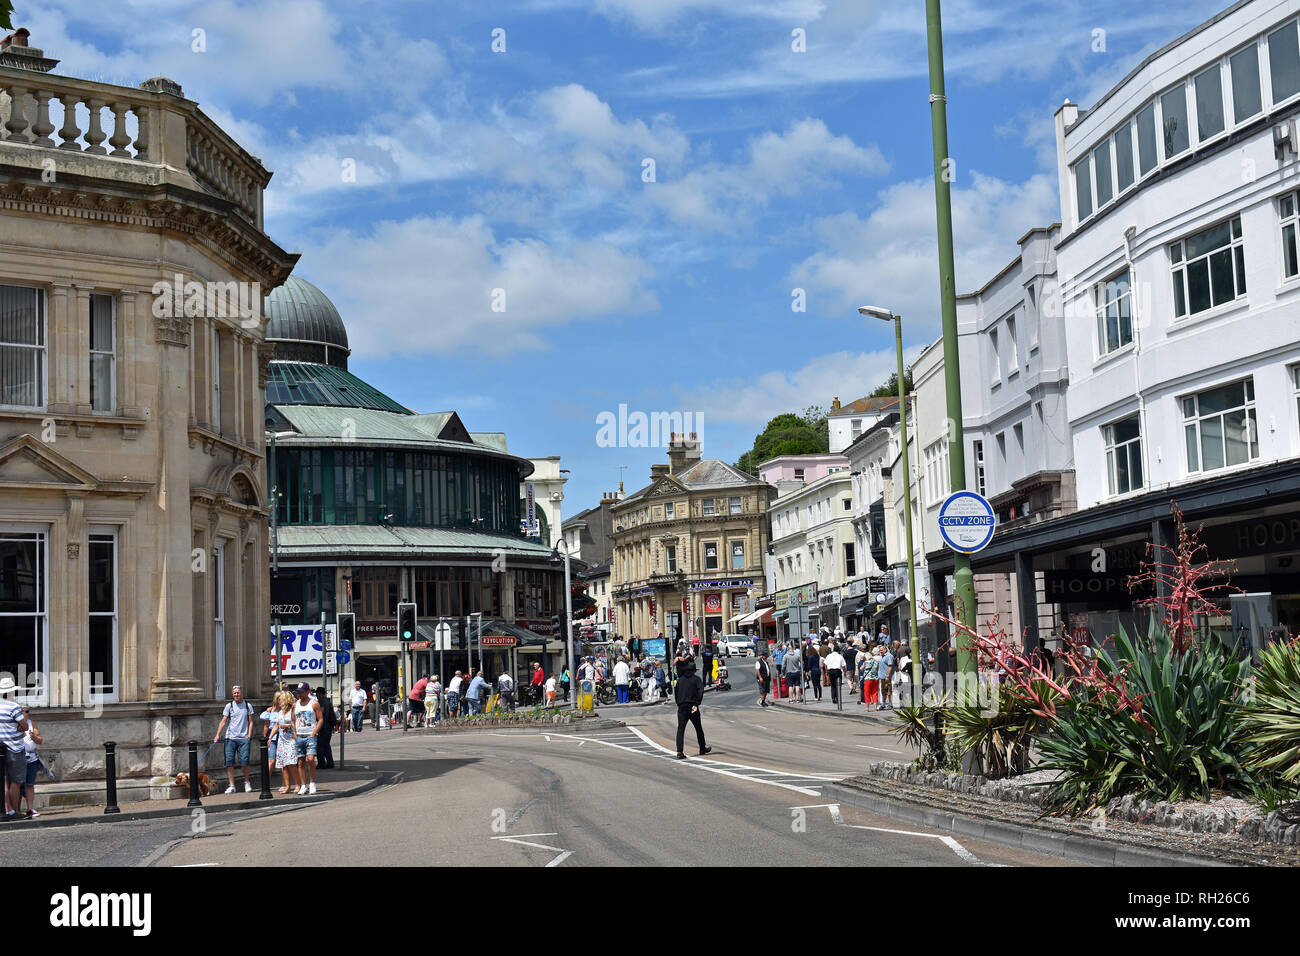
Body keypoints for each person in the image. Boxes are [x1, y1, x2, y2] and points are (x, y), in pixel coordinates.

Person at [213, 684, 256, 794]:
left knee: (244, 761)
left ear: (241, 693)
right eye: (234, 693)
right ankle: (232, 785)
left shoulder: (247, 705)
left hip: (243, 738)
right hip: (230, 738)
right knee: (229, 762)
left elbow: (251, 722)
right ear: (232, 695)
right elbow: (223, 721)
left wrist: (249, 736)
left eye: (238, 692)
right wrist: (218, 734)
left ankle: (246, 782)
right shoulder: (229, 706)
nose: (236, 695)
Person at [673, 660, 711, 759]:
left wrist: (678, 703)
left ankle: (679, 751)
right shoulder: (696, 679)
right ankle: (702, 748)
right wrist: (697, 704)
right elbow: (701, 691)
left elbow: (676, 694)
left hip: (682, 706)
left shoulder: (680, 680)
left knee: (681, 729)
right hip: (692, 706)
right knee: (698, 728)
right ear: (693, 670)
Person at [293, 682, 323, 795]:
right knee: (300, 762)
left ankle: (312, 782)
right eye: (298, 692)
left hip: (310, 735)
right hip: (299, 736)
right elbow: (292, 719)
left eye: (301, 691)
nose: (299, 694)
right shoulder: (296, 704)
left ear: (308, 691)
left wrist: (314, 732)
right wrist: (294, 733)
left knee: (310, 759)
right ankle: (303, 785)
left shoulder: (314, 704)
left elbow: (320, 719)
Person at [272, 693, 299, 794]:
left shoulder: (293, 709)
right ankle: (287, 786)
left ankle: (297, 784)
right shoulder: (280, 711)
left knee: (291, 763)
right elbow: (277, 725)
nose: (279, 701)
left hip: (291, 739)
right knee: (283, 764)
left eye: (281, 699)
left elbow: (295, 724)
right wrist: (270, 737)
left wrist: (287, 725)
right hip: (282, 740)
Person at [19, 706, 41, 818]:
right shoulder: (15, 723)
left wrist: (34, 737)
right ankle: (15, 810)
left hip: (32, 758)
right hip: (19, 758)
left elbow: (40, 740)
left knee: (29, 784)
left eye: (28, 711)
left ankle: (30, 809)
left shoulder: (31, 723)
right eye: (25, 711)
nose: (27, 713)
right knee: (17, 785)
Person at [315, 686, 336, 768]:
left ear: (319, 694)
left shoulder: (321, 701)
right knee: (326, 745)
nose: (316, 695)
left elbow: (321, 713)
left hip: (323, 726)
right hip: (328, 726)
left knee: (320, 746)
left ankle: (321, 763)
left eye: (317, 693)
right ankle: (330, 763)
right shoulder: (328, 701)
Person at [878, 644, 895, 710]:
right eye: (880, 650)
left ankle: (890, 704)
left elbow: (890, 666)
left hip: (887, 677)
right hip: (883, 677)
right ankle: (883, 704)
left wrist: (887, 676)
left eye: (881, 650)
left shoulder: (889, 656)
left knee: (889, 691)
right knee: (883, 691)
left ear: (885, 650)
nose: (880, 651)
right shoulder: (883, 656)